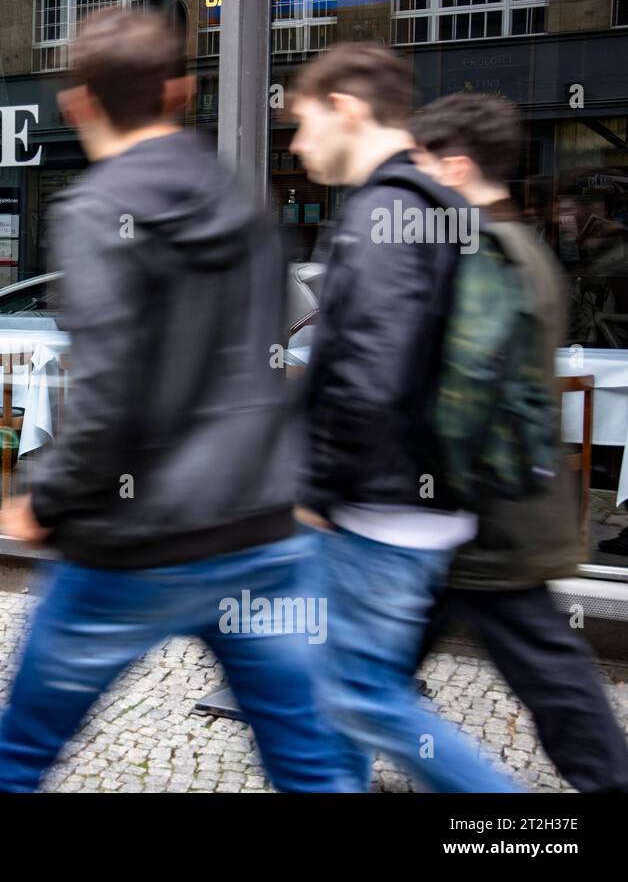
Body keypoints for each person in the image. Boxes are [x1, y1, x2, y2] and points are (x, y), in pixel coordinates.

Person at [0, 7, 363, 793]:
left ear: (79, 105)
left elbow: (112, 394)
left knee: (17, 759)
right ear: (182, 92)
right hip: (260, 533)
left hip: (133, 545)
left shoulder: (94, 209)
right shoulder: (243, 199)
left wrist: (44, 498)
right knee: (311, 767)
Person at [289, 42, 517, 792]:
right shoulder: (433, 203)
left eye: (302, 121)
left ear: (347, 110)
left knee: (360, 696)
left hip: (379, 511)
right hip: (420, 502)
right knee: (340, 696)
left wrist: (318, 492)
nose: (296, 143)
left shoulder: (387, 210)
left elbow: (371, 372)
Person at [410, 91, 628, 793]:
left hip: (484, 518)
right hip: (496, 511)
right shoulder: (521, 245)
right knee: (379, 664)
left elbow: (465, 392)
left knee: (549, 671)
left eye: (421, 163)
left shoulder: (484, 251)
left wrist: (407, 484)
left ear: (457, 166)